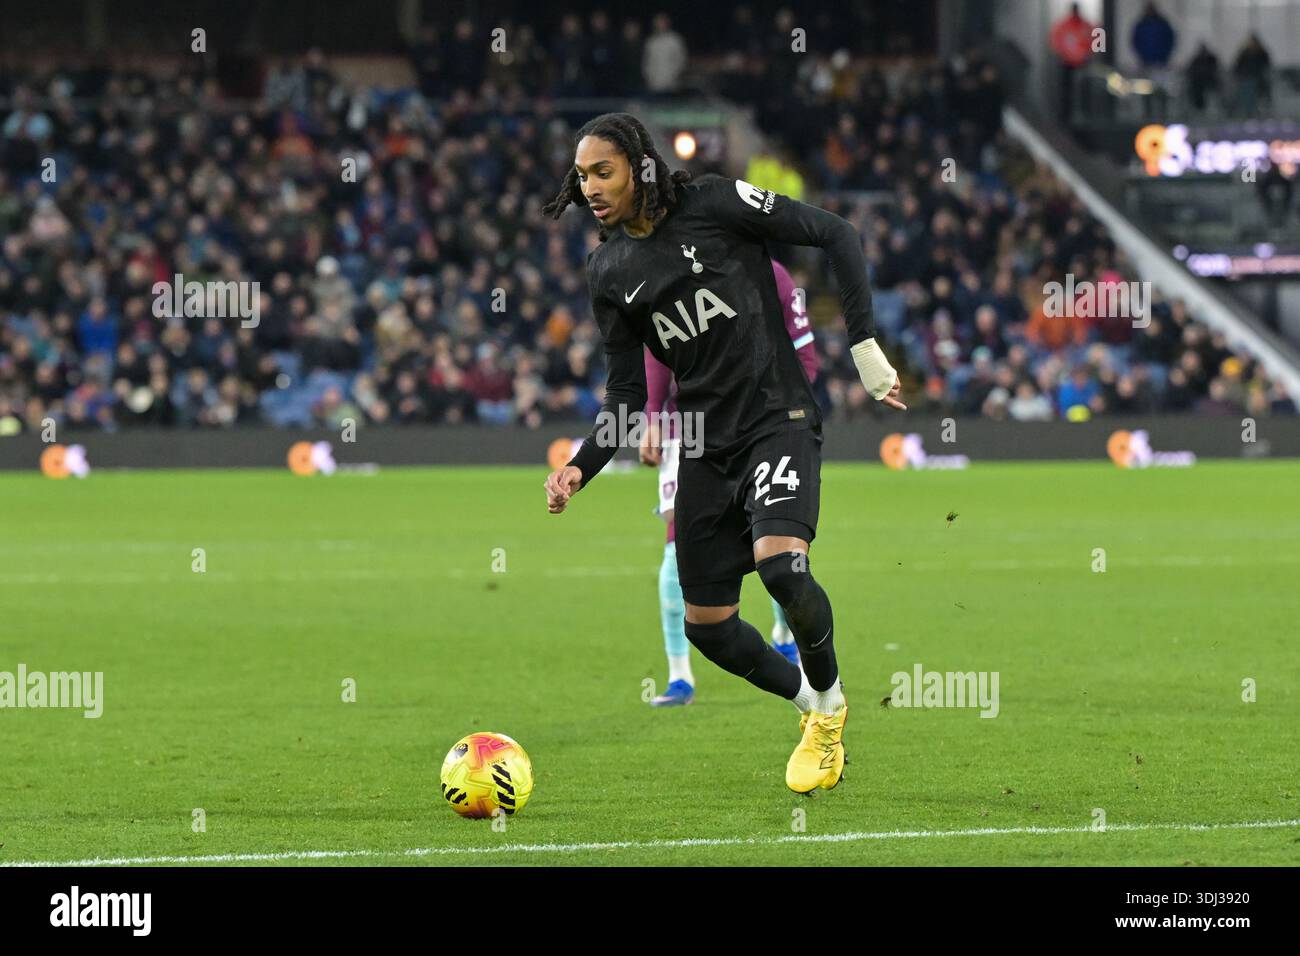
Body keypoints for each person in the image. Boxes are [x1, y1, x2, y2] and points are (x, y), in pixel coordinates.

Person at [541, 113, 905, 793]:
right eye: (581, 175)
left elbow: (836, 233)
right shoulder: (608, 269)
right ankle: (816, 706)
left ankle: (829, 704)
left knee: (782, 569)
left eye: (603, 171)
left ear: (640, 165)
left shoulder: (714, 203)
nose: (588, 186)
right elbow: (625, 394)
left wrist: (862, 345)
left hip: (777, 417)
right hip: (703, 443)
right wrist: (579, 467)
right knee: (708, 624)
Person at [642, 258, 820, 707]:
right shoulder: (666, 276)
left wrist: (780, 415)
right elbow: (656, 352)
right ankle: (680, 677)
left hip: (764, 427)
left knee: (775, 548)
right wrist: (651, 416)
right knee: (674, 546)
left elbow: (805, 356)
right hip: (696, 431)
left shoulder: (773, 274)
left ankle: (785, 638)